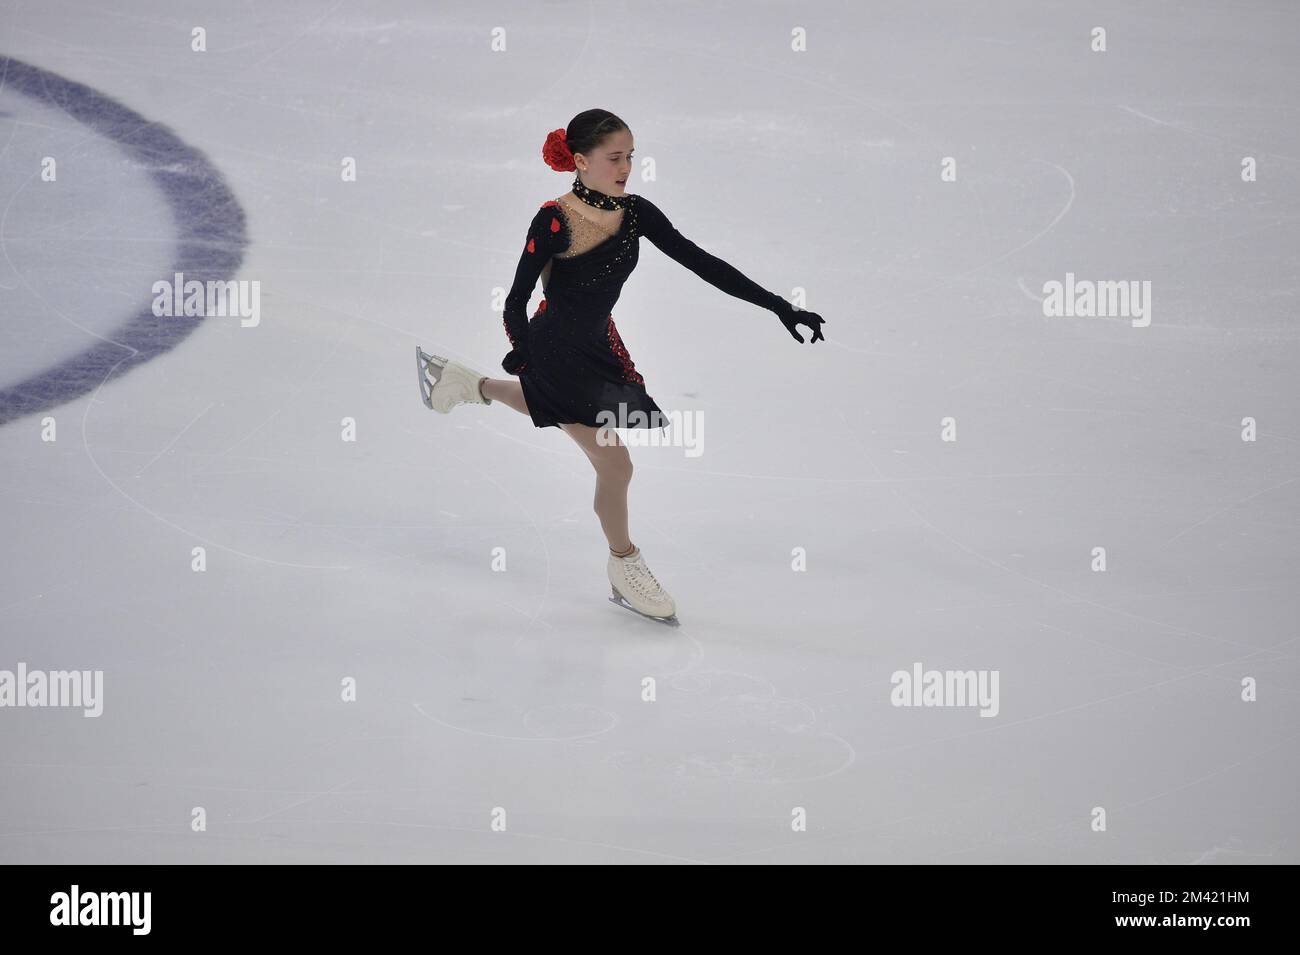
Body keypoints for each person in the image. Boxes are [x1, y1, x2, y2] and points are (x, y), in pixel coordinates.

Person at [416, 109, 825, 623]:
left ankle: (469, 385)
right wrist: (524, 353)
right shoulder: (554, 219)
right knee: (617, 463)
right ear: (582, 162)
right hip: (552, 348)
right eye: (614, 158)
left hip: (599, 347)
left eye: (630, 155)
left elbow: (702, 262)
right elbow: (515, 300)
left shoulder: (636, 213)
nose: (625, 167)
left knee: (582, 424)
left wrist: (779, 306)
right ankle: (624, 564)